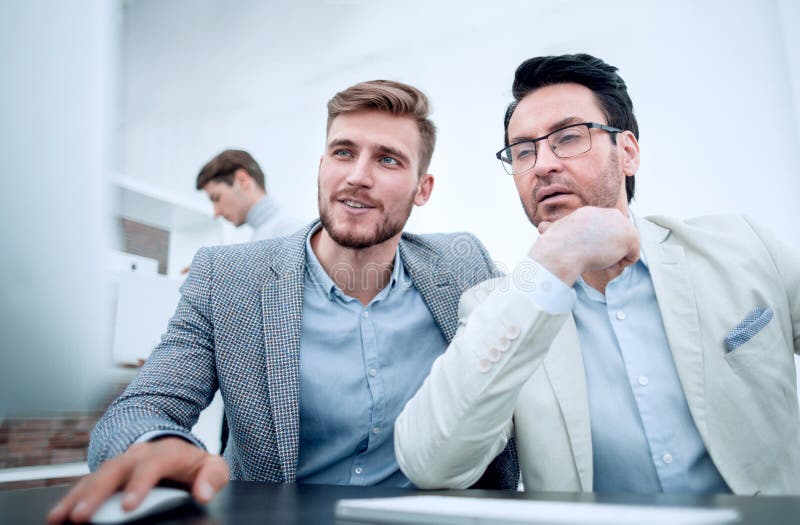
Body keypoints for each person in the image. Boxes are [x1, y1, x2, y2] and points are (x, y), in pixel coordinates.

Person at [47, 80, 518, 524]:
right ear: (321, 166)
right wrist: (158, 442)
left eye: (388, 160)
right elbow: (141, 407)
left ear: (423, 189)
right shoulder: (227, 278)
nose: (358, 176)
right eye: (343, 152)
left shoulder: (461, 264)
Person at [395, 54, 800, 495]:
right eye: (523, 151)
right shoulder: (497, 307)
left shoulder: (742, 247)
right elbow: (428, 461)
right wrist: (554, 260)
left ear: (627, 153)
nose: (543, 163)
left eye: (569, 138)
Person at [197, 148, 303, 240]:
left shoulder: (290, 233)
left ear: (242, 180)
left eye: (216, 198)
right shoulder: (264, 236)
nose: (216, 212)